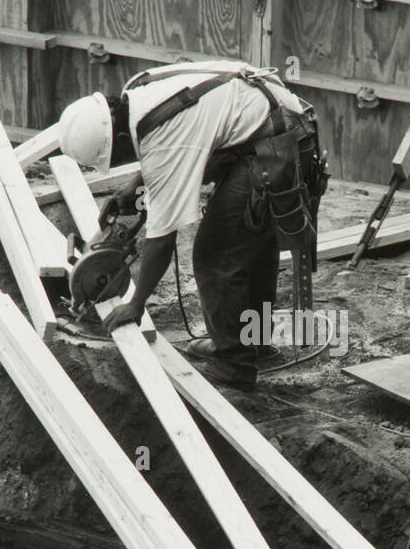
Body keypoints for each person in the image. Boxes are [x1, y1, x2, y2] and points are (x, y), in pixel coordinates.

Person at [58, 59, 326, 389]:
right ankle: (252, 340)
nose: (119, 163)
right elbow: (181, 135)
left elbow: (162, 238)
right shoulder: (139, 92)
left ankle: (234, 364)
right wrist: (137, 187)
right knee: (249, 245)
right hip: (275, 126)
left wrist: (136, 304)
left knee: (216, 256)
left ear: (121, 136)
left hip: (274, 145)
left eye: (115, 157)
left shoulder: (162, 138)